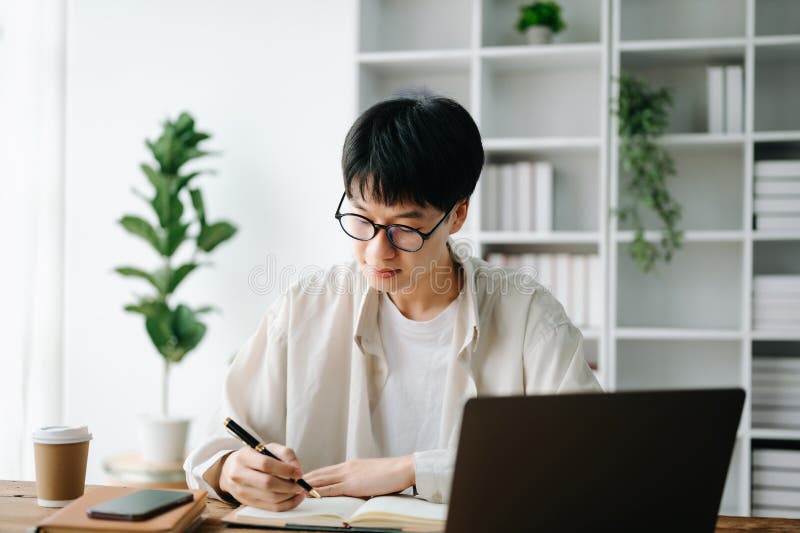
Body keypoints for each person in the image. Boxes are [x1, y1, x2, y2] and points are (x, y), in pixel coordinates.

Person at [184, 93, 601, 511]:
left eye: (404, 229)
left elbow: (588, 459)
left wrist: (416, 470)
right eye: (362, 219)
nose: (376, 252)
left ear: (457, 215)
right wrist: (231, 469)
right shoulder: (305, 308)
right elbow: (213, 442)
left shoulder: (527, 315)